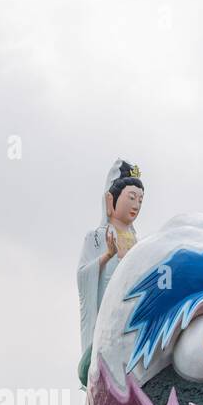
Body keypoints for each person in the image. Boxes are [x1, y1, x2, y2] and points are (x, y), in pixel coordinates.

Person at [77, 159, 143, 384]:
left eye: (140, 200)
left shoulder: (140, 242)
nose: (136, 205)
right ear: (110, 200)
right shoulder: (96, 236)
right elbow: (82, 275)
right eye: (131, 198)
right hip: (109, 314)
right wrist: (108, 256)